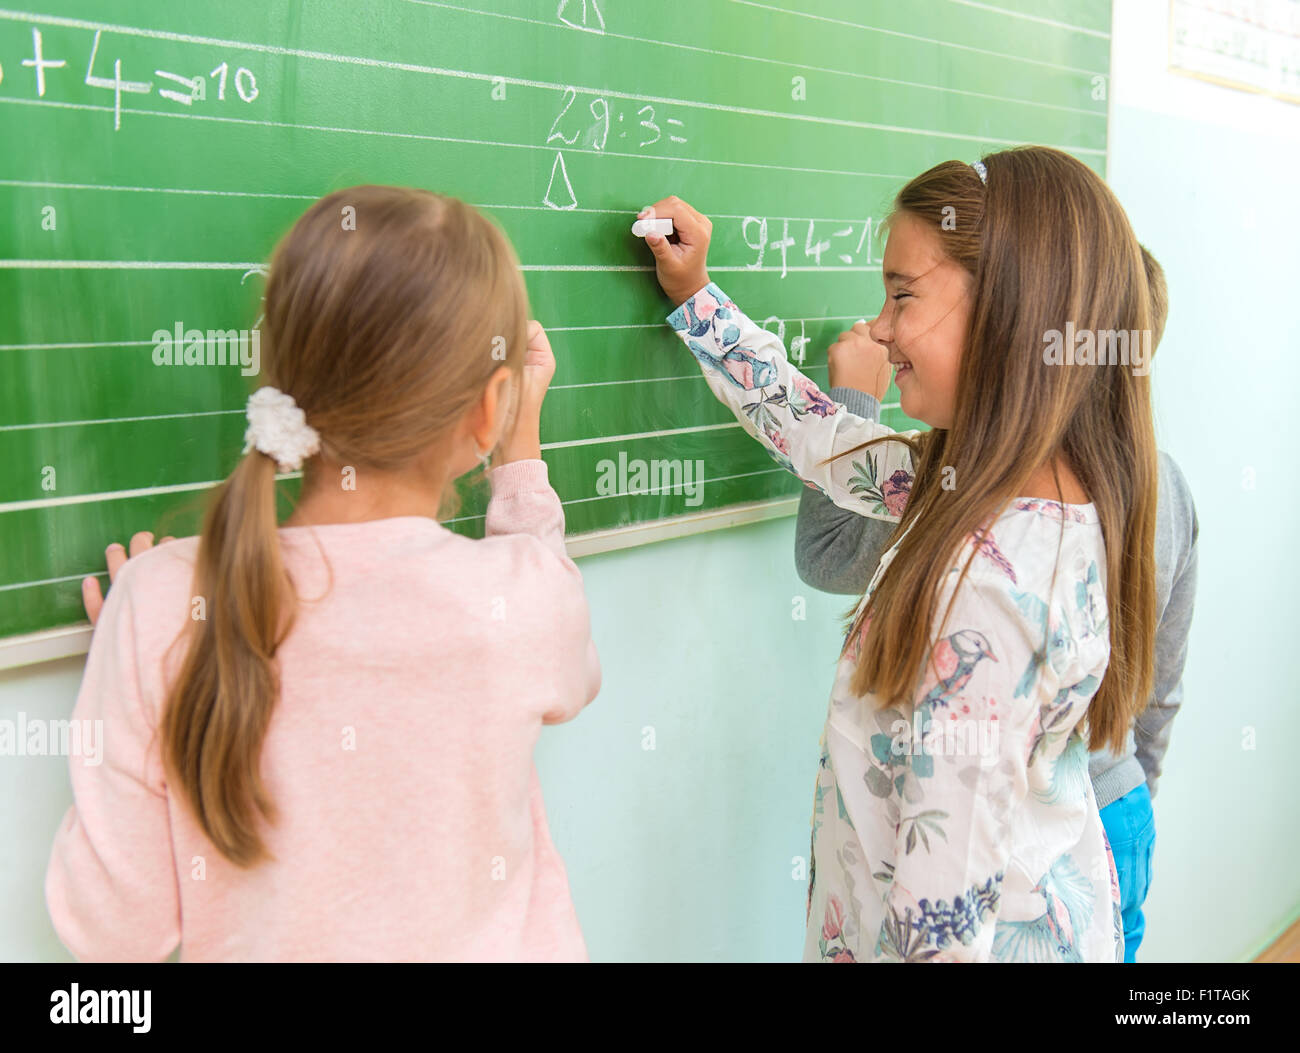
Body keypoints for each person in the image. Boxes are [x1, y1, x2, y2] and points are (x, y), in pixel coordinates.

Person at [46, 186, 601, 962]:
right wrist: (519, 455)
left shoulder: (164, 603)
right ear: (489, 409)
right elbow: (559, 624)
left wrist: (136, 657)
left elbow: (116, 934)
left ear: (281, 378)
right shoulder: (524, 600)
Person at [639, 146, 1159, 961]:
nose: (879, 327)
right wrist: (699, 300)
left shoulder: (987, 584)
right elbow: (816, 430)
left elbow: (937, 930)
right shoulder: (979, 487)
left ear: (1008, 314)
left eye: (902, 294)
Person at [791, 246, 1197, 961]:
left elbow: (827, 555)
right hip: (1113, 803)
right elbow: (1160, 683)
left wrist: (856, 399)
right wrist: (1129, 790)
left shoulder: (986, 493)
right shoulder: (1165, 483)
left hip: (1040, 837)